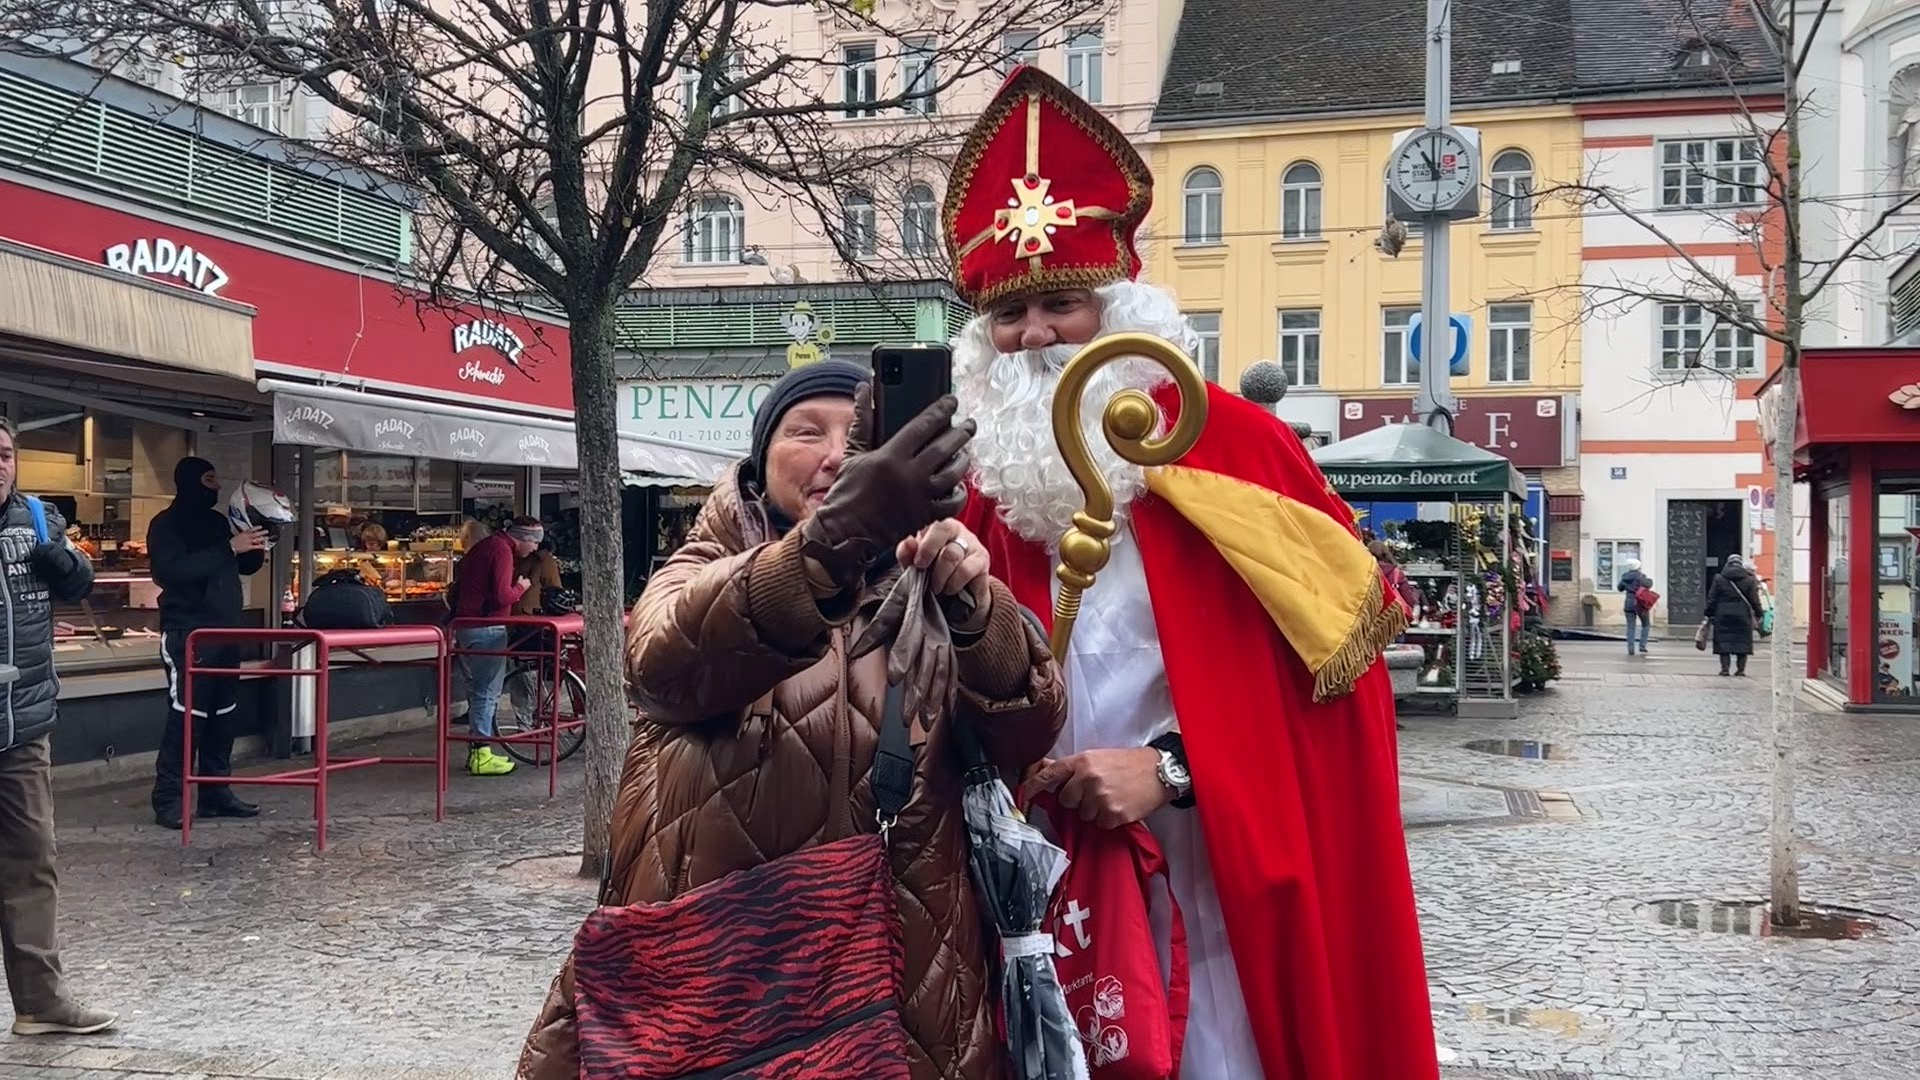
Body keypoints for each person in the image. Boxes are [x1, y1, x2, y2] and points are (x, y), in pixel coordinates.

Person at [942, 66, 1437, 1078]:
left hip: (1222, 888)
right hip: (1050, 894)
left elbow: (1340, 689)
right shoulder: (985, 498)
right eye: (1010, 313)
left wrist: (1172, 771)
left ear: (1118, 306)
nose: (1036, 336)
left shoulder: (1240, 451)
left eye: (1062, 305)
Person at [517, 360, 1067, 1079]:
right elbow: (666, 663)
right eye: (807, 431)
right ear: (757, 461)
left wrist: (975, 607)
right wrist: (834, 539)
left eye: (857, 437)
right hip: (721, 989)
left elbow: (1028, 732)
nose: (836, 455)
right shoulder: (699, 566)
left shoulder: (934, 582)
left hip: (911, 984)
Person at [0, 418, 116, 1035]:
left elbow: (80, 583)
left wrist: (68, 566)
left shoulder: (39, 519)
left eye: (6, 454)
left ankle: (40, 1004)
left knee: (32, 861)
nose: (0, 463)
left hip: (24, 722)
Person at [147, 457, 267, 831]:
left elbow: (243, 567)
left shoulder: (218, 523)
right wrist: (230, 548)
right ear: (190, 480)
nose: (216, 484)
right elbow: (171, 571)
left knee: (223, 715)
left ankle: (216, 792)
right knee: (187, 716)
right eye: (209, 477)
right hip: (188, 632)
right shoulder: (165, 524)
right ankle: (169, 799)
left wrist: (257, 542)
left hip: (227, 632)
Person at [450, 516, 539, 776]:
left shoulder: (485, 546)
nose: (534, 548)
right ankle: (482, 753)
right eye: (533, 541)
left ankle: (476, 751)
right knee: (487, 692)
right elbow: (502, 595)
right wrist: (521, 587)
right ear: (522, 537)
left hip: (466, 625)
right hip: (487, 626)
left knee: (475, 689)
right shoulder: (502, 551)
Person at [1708, 553, 1764, 677]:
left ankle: (1725, 669)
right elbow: (1754, 600)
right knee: (1742, 643)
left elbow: (1712, 598)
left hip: (1722, 615)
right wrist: (1759, 613)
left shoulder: (1719, 579)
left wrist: (1708, 613)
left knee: (1723, 643)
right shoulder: (1749, 580)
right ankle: (1741, 670)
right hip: (1743, 616)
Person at [512, 538, 563, 616]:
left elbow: (555, 591)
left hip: (529, 616)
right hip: (521, 613)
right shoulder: (508, 554)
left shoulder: (543, 558)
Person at [1617, 558, 1653, 656]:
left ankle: (1631, 648)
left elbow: (1619, 588)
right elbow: (1649, 585)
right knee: (1646, 624)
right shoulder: (1641, 576)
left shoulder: (1625, 577)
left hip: (1629, 603)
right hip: (1641, 603)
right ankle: (1642, 645)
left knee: (1630, 627)